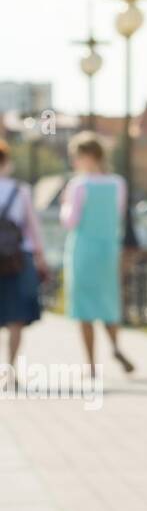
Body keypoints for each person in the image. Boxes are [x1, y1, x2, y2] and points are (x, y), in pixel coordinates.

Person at [60, 132, 134, 376]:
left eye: (76, 156)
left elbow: (71, 221)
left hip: (83, 250)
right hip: (108, 250)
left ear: (88, 156)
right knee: (108, 302)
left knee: (84, 308)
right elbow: (119, 216)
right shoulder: (118, 183)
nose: (74, 162)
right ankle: (115, 346)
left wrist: (65, 207)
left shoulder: (79, 185)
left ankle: (91, 365)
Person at [0, 139, 48, 365]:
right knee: (15, 317)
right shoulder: (21, 191)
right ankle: (10, 367)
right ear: (7, 162)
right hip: (18, 258)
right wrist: (41, 258)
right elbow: (33, 228)